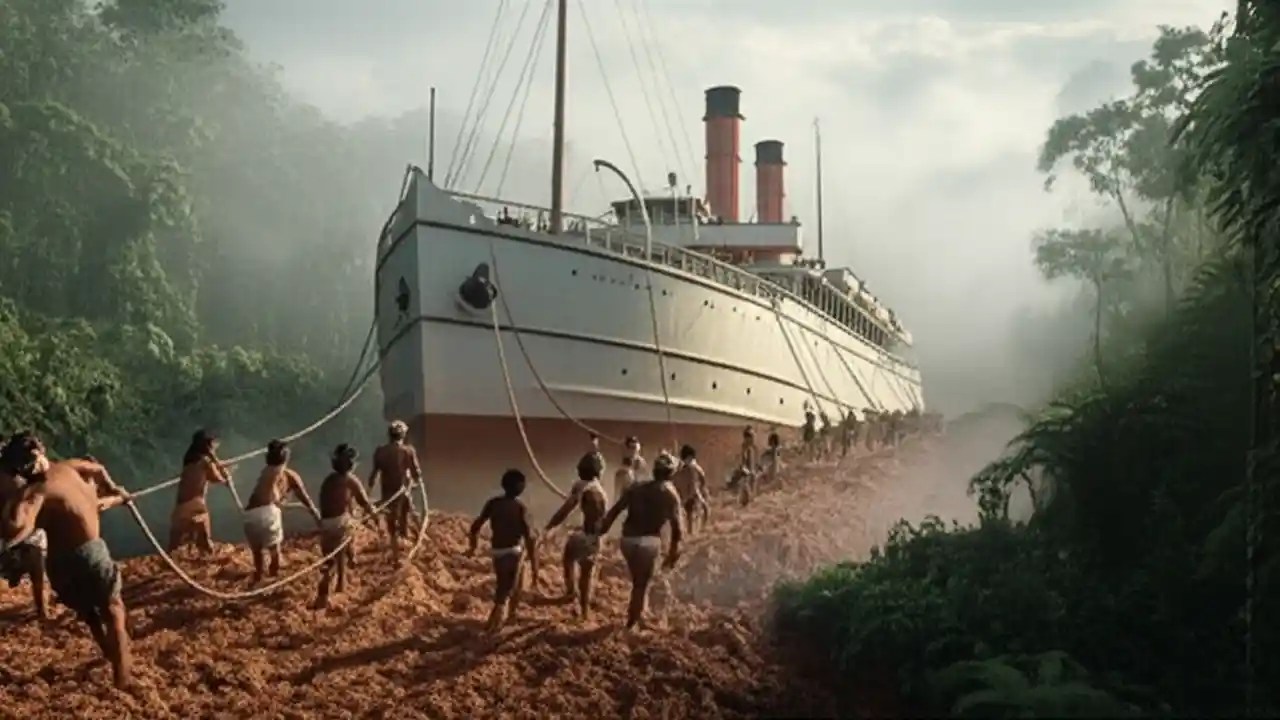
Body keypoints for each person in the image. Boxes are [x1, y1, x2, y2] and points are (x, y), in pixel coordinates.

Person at [0, 432, 134, 688]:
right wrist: (116, 491)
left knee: (89, 612)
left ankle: (111, 653)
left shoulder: (34, 493)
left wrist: (17, 498)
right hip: (89, 553)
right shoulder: (66, 470)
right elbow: (97, 469)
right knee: (114, 611)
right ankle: (123, 678)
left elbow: (14, 529)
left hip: (61, 566)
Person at [600, 451, 682, 630]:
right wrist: (674, 553)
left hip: (627, 541)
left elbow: (614, 511)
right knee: (641, 584)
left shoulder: (636, 487)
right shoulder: (671, 493)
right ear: (672, 473)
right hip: (648, 543)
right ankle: (632, 623)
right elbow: (678, 530)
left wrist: (600, 532)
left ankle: (638, 614)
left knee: (638, 581)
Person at [468, 469, 539, 633]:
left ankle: (510, 616)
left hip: (497, 551)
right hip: (514, 551)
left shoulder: (493, 503)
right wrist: (535, 566)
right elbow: (530, 538)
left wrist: (473, 547)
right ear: (521, 488)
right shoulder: (521, 508)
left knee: (508, 584)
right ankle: (495, 625)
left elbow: (475, 527)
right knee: (505, 591)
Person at [243, 439, 321, 586]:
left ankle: (258, 578)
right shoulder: (286, 474)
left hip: (249, 516)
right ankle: (273, 580)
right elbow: (305, 498)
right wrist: (316, 516)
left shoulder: (265, 473)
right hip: (267, 513)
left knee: (257, 553)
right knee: (274, 552)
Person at [313, 444, 378, 609]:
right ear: (351, 465)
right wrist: (375, 515)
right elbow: (364, 502)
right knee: (342, 547)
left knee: (329, 560)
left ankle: (348, 556)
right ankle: (341, 584)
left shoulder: (328, 480)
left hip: (326, 523)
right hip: (340, 522)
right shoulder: (351, 480)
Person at [543, 453, 608, 619]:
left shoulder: (580, 485)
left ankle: (571, 592)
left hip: (582, 533)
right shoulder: (600, 488)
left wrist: (551, 525)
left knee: (569, 560)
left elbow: (567, 508)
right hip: (595, 536)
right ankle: (585, 610)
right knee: (586, 573)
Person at [368, 420, 424, 563]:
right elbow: (417, 472)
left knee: (392, 524)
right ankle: (420, 542)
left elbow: (373, 475)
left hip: (388, 494)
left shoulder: (380, 452)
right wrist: (416, 480)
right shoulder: (408, 451)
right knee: (409, 511)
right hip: (403, 491)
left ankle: (396, 555)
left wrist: (367, 494)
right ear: (403, 435)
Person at [170, 429, 231, 555]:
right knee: (205, 540)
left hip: (180, 507)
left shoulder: (189, 460)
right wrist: (227, 478)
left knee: (174, 546)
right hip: (195, 505)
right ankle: (206, 545)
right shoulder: (205, 462)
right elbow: (215, 478)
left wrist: (218, 465)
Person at [0, 459, 47, 619]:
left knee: (36, 562)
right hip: (14, 537)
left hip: (18, 538)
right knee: (37, 565)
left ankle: (42, 610)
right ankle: (42, 610)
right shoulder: (19, 486)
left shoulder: (23, 487)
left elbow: (25, 524)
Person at [671, 444, 709, 534]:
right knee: (689, 513)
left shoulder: (693, 467)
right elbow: (676, 479)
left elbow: (702, 477)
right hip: (688, 493)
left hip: (694, 492)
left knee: (701, 509)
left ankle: (701, 528)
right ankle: (690, 531)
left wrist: (703, 489)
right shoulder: (683, 468)